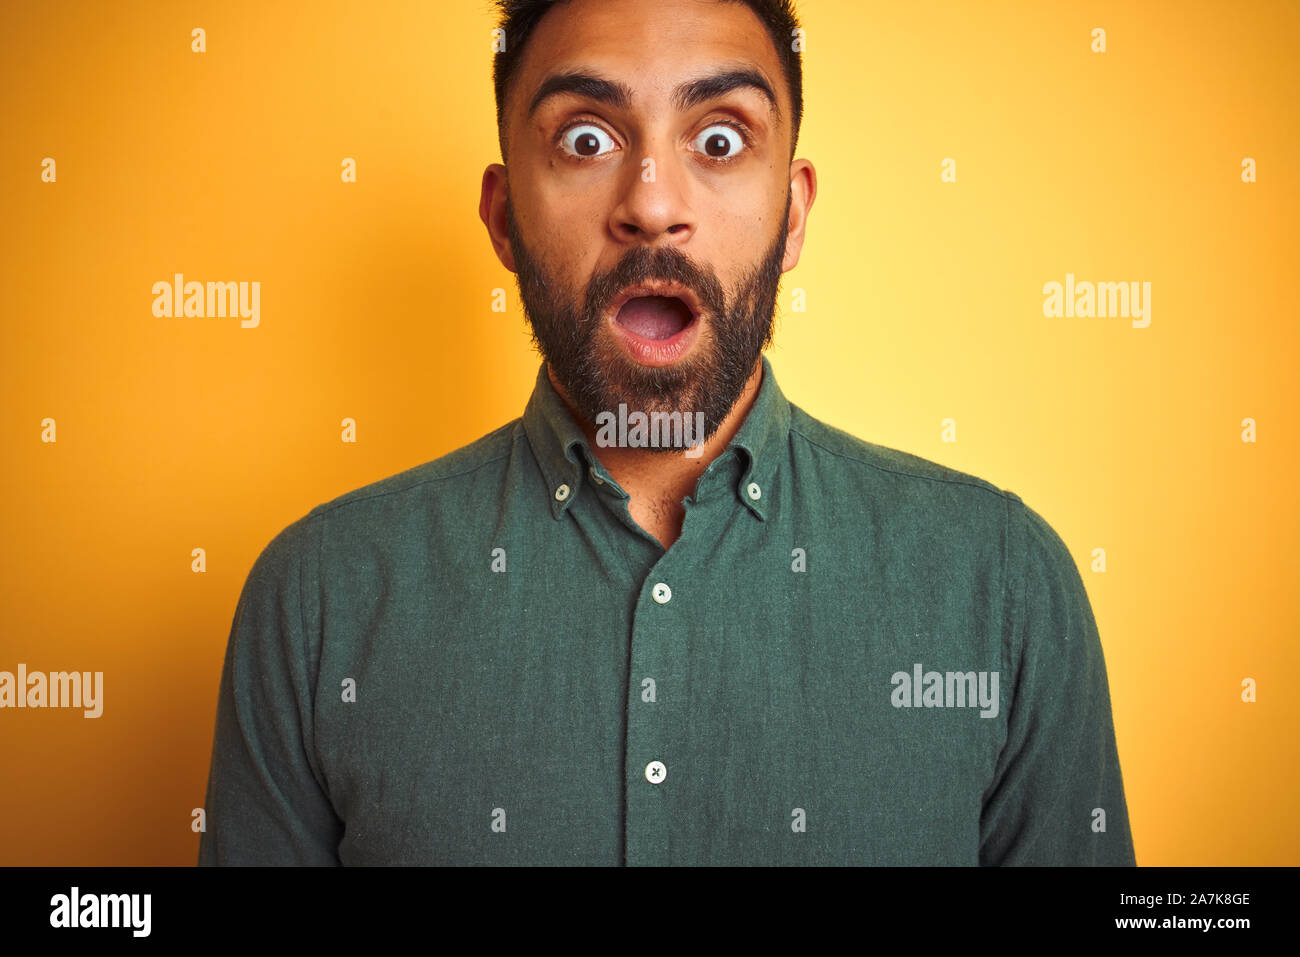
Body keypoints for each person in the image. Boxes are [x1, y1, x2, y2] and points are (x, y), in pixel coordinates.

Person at [198, 0, 1136, 865]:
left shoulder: (1002, 588)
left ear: (795, 213)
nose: (651, 200)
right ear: (504, 219)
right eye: (587, 137)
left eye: (721, 138)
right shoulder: (317, 603)